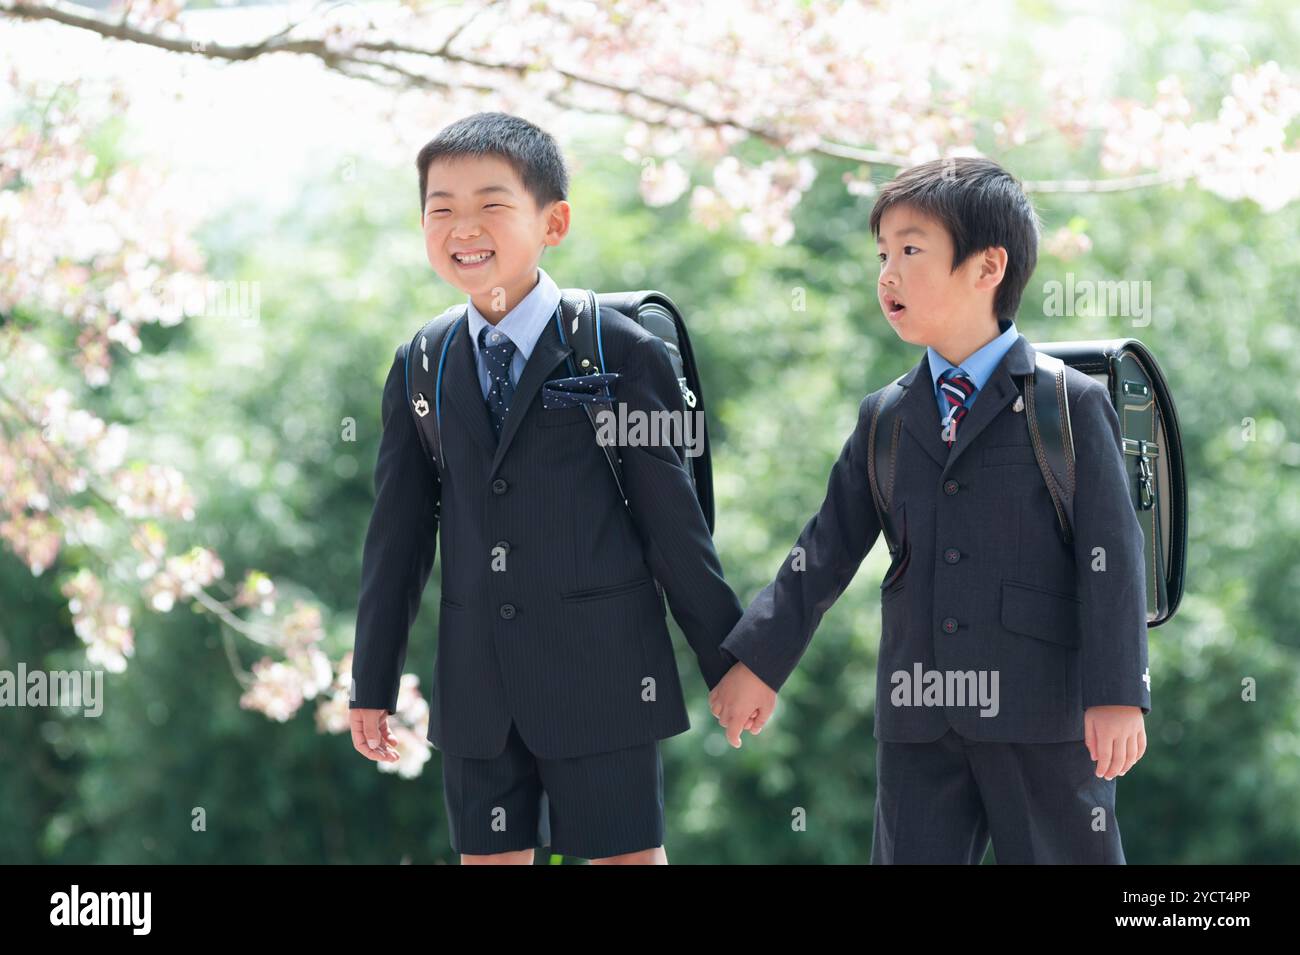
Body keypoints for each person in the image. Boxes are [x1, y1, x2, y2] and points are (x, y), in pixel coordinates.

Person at [710, 157, 1151, 864]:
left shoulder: (1065, 405)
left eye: (911, 250)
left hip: (1040, 714)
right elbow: (822, 551)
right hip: (918, 718)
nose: (887, 273)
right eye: (882, 253)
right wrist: (758, 661)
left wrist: (1119, 692)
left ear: (987, 267)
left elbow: (1113, 557)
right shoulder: (886, 417)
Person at [349, 112, 742, 865]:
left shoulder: (619, 349)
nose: (464, 226)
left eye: (492, 204)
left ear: (552, 220)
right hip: (476, 688)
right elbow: (397, 535)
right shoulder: (421, 363)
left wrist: (730, 662)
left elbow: (673, 526)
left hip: (605, 678)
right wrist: (373, 677)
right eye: (441, 208)